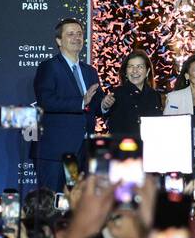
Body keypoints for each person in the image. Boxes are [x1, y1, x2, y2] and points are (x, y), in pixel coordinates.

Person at [33, 18, 102, 191]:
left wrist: (105, 104)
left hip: (81, 151)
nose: (76, 37)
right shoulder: (48, 67)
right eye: (70, 34)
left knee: (73, 200)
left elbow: (96, 104)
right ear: (59, 41)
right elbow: (45, 100)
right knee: (53, 201)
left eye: (79, 34)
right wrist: (81, 101)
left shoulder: (90, 71)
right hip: (56, 152)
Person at [98, 51, 163, 144]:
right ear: (125, 72)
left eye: (139, 67)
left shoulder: (155, 96)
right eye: (130, 67)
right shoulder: (117, 93)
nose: (134, 71)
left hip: (150, 148)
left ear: (147, 71)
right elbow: (104, 114)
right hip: (123, 151)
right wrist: (104, 106)